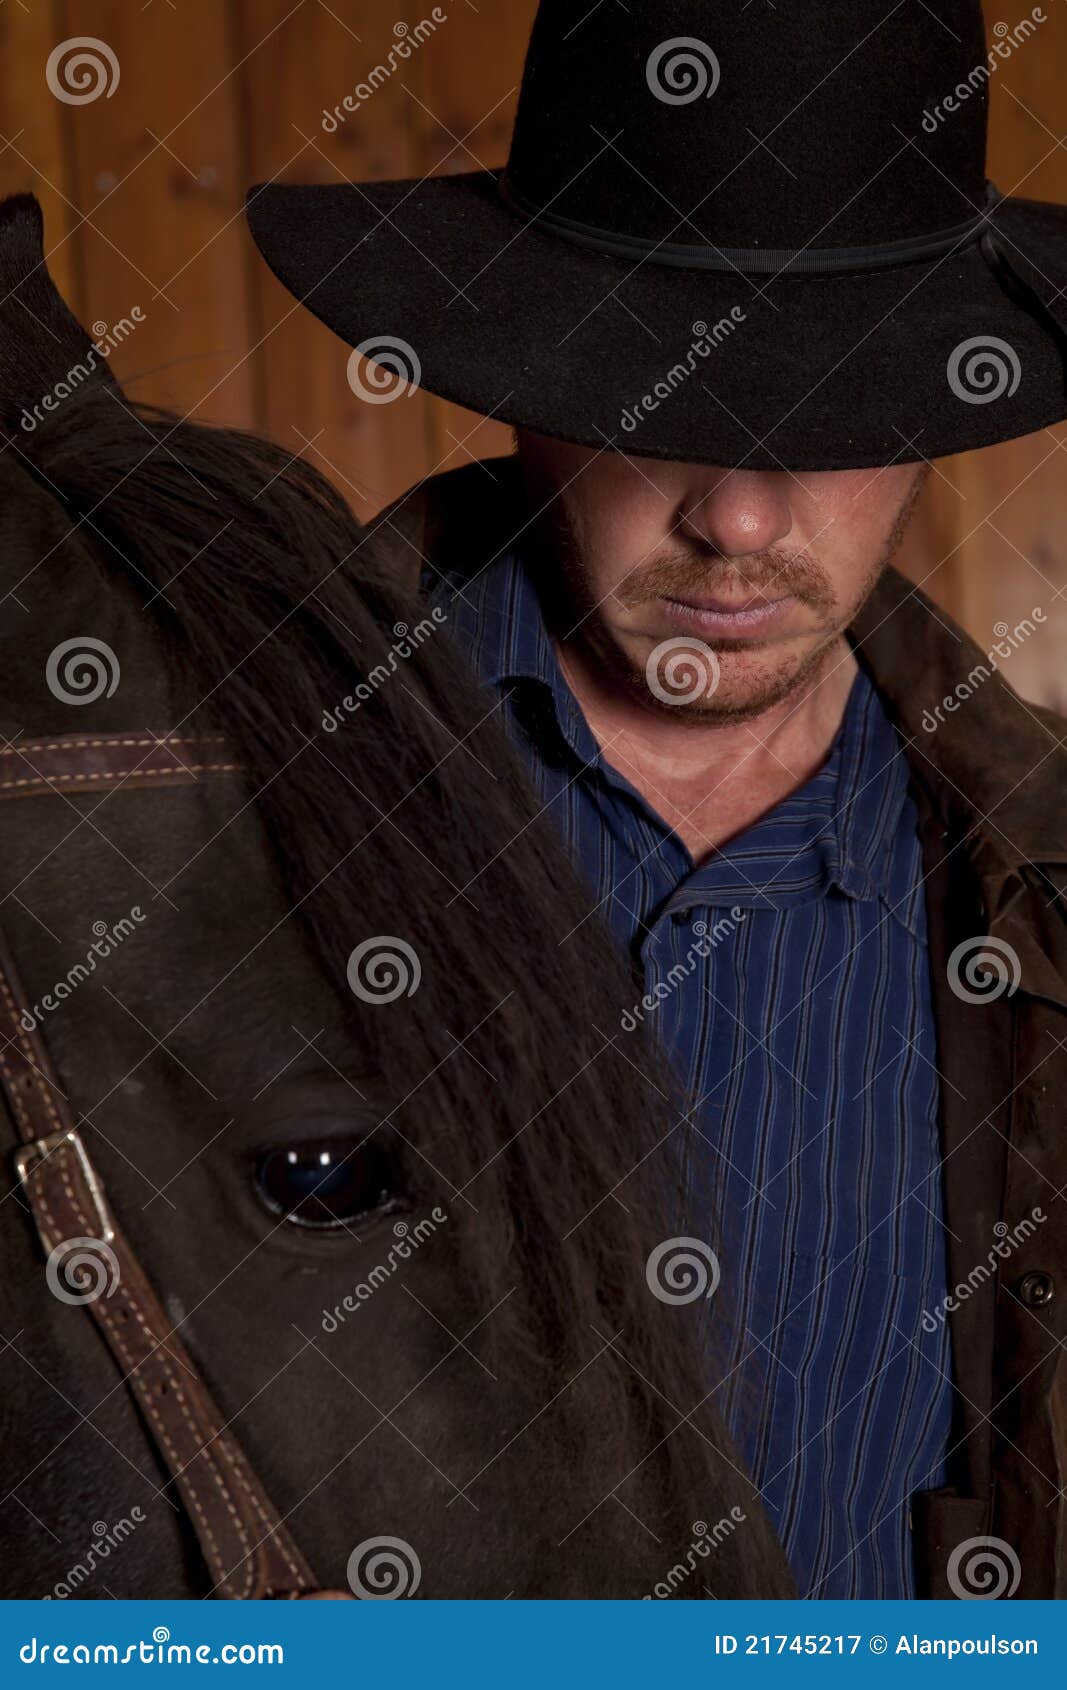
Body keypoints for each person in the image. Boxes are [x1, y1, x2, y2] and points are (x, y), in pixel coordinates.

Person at [247, 0, 1067, 1597]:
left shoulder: (1035, 886)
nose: (740, 518)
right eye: (664, 405)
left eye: (834, 416)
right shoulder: (224, 819)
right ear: (525, 383)